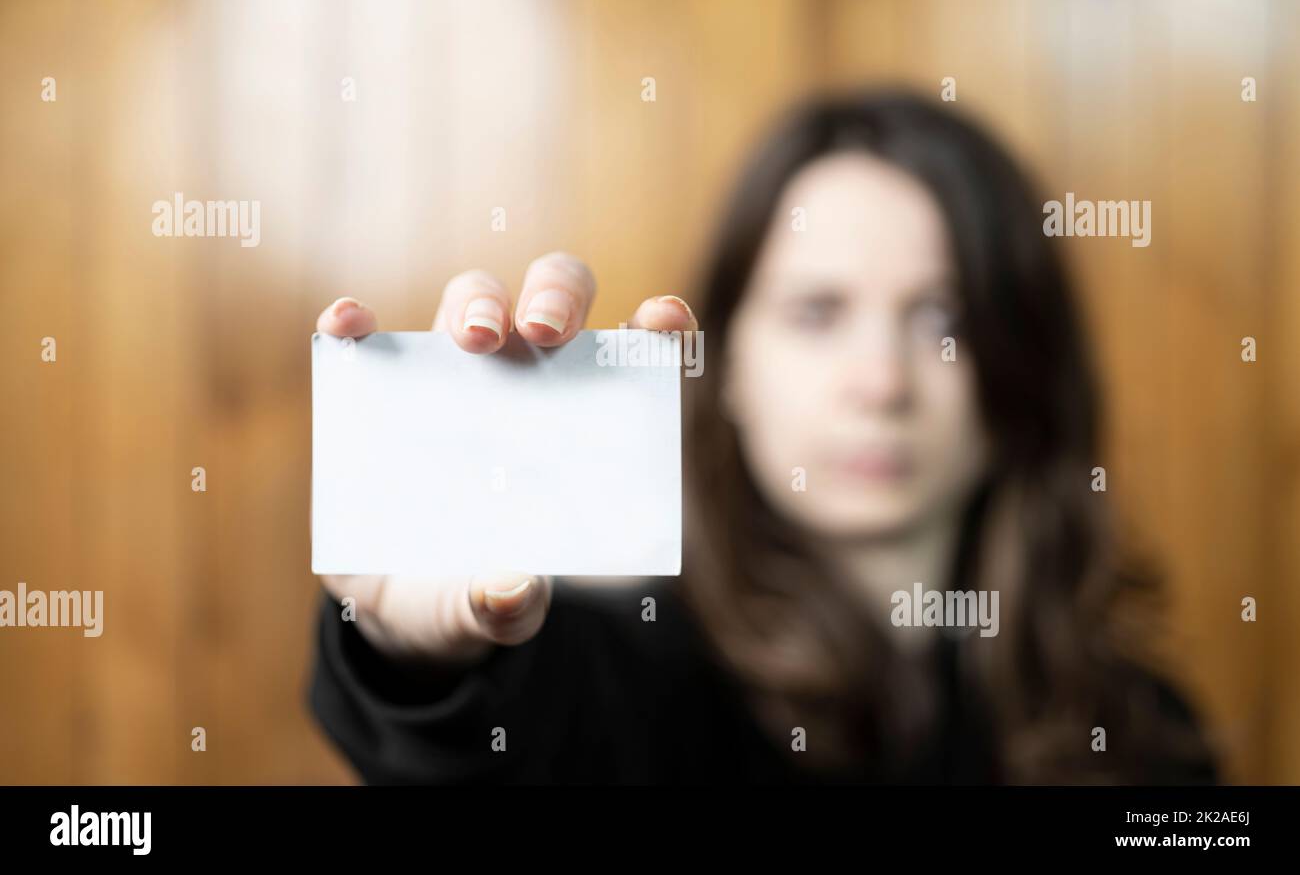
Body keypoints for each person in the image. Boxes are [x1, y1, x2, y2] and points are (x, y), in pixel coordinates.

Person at [306, 90, 1219, 784]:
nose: (881, 383)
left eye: (944, 319)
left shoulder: (1140, 731)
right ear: (729, 363)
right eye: (817, 312)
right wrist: (419, 660)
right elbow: (480, 738)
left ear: (1027, 365)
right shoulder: (619, 669)